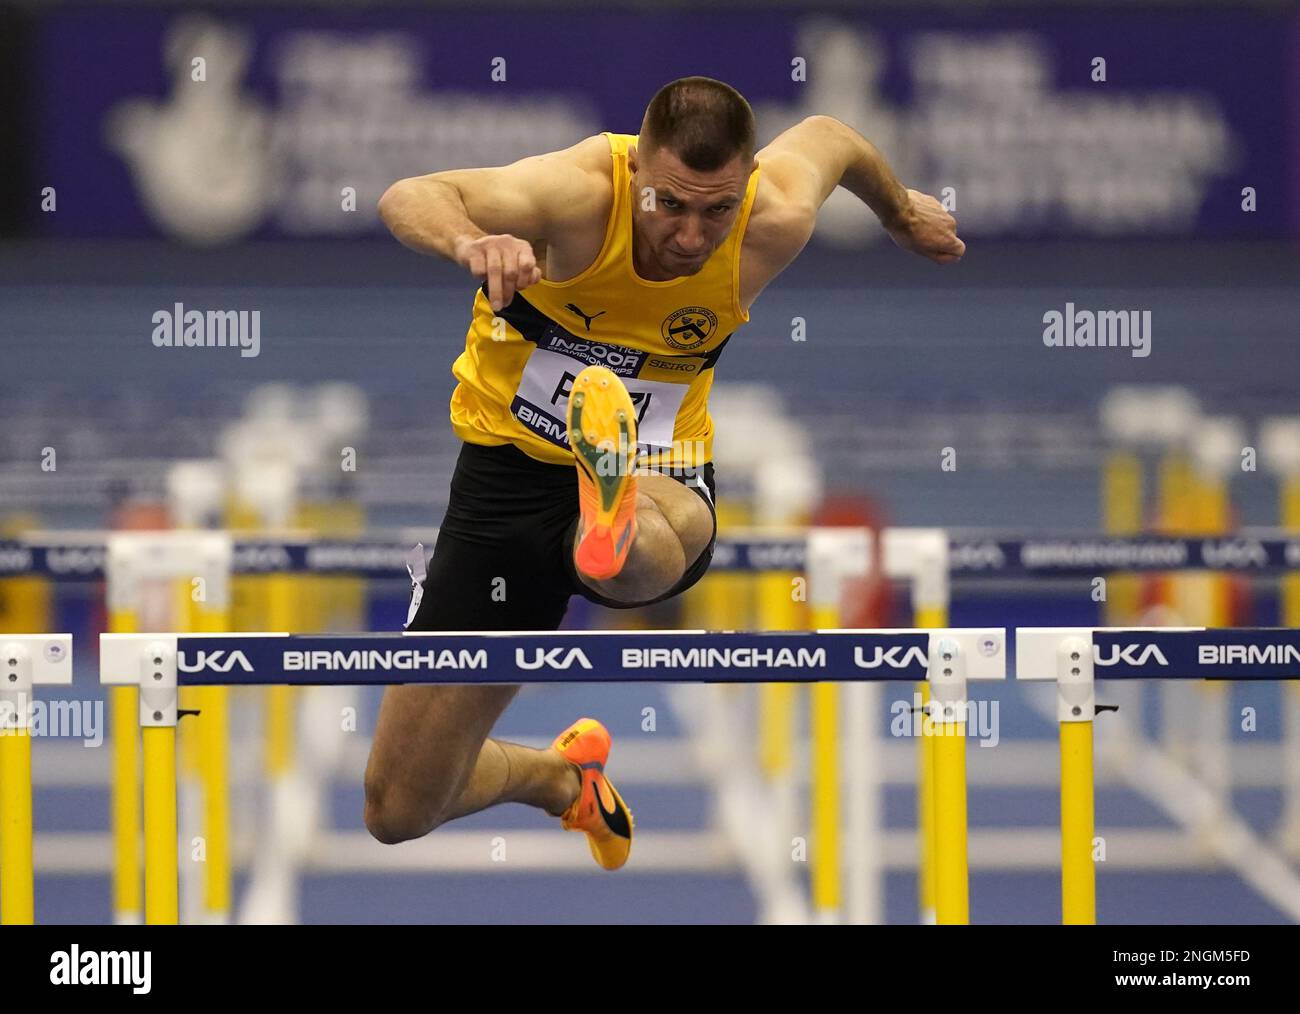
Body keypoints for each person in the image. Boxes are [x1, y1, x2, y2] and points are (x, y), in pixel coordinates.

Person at [364, 76, 963, 869]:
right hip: (505, 483)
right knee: (397, 807)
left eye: (717, 209)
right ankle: (560, 778)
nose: (691, 234)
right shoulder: (575, 194)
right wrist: (469, 241)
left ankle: (605, 509)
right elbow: (412, 194)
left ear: (747, 186)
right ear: (636, 170)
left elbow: (833, 137)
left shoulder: (772, 215)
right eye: (670, 205)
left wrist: (898, 211)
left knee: (636, 548)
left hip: (659, 468)